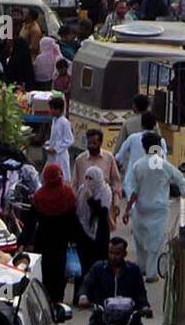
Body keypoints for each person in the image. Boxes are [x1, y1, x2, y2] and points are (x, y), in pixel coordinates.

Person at [123, 133, 185, 281]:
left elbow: (133, 191)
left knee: (140, 238)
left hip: (141, 208)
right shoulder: (164, 165)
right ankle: (151, 273)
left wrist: (127, 210)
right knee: (155, 241)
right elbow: (181, 181)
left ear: (144, 147)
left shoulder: (138, 165)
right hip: (159, 209)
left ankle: (142, 268)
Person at [22, 164, 79, 304]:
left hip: (43, 239)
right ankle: (57, 299)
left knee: (44, 270)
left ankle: (44, 299)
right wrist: (75, 238)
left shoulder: (40, 196)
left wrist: (26, 241)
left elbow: (31, 221)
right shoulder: (67, 194)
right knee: (59, 270)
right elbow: (73, 219)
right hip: (61, 239)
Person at [78, 238, 150, 325]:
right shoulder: (98, 268)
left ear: (125, 253)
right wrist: (83, 296)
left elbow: (141, 293)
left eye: (117, 254)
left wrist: (145, 307)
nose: (113, 257)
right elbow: (86, 284)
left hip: (129, 320)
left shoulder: (134, 270)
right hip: (102, 318)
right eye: (111, 253)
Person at [74, 165, 113, 298]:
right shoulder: (82, 190)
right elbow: (78, 210)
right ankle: (81, 295)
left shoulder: (105, 191)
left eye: (91, 178)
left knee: (98, 264)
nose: (88, 181)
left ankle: (97, 296)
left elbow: (102, 213)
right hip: (83, 233)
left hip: (99, 234)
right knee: (83, 265)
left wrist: (91, 199)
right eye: (86, 177)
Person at [72, 128, 123, 216]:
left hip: (104, 203)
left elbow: (116, 182)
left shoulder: (109, 158)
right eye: (89, 143)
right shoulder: (80, 160)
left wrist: (116, 203)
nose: (91, 146)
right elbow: (74, 184)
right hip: (84, 205)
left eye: (94, 143)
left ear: (100, 143)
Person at [44, 95, 74, 179]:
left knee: (62, 176)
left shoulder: (65, 122)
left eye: (52, 109)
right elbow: (54, 138)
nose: (50, 111)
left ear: (58, 110)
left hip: (61, 156)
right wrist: (48, 144)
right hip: (52, 156)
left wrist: (56, 149)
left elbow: (70, 140)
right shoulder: (54, 121)